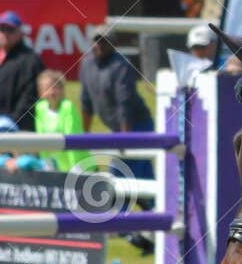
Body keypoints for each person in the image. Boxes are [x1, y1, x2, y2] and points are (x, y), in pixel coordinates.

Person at [79, 26, 154, 175]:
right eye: (96, 41)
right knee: (143, 178)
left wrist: (124, 139)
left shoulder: (121, 65)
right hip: (119, 129)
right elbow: (85, 103)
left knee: (120, 175)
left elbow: (124, 103)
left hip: (137, 126)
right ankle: (153, 200)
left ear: (113, 45)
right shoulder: (86, 65)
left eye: (104, 42)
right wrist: (84, 136)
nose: (99, 45)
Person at [0, 10, 45, 129]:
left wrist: (11, 124)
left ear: (20, 32)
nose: (5, 34)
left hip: (17, 129)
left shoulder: (30, 60)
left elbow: (30, 97)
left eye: (10, 30)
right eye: (2, 29)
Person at [33, 69, 90, 172]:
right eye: (46, 88)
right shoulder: (40, 108)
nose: (51, 92)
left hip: (81, 167)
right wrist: (48, 165)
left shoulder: (67, 107)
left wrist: (76, 168)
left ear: (62, 90)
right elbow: (41, 139)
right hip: (58, 169)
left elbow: (73, 139)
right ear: (41, 92)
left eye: (55, 87)